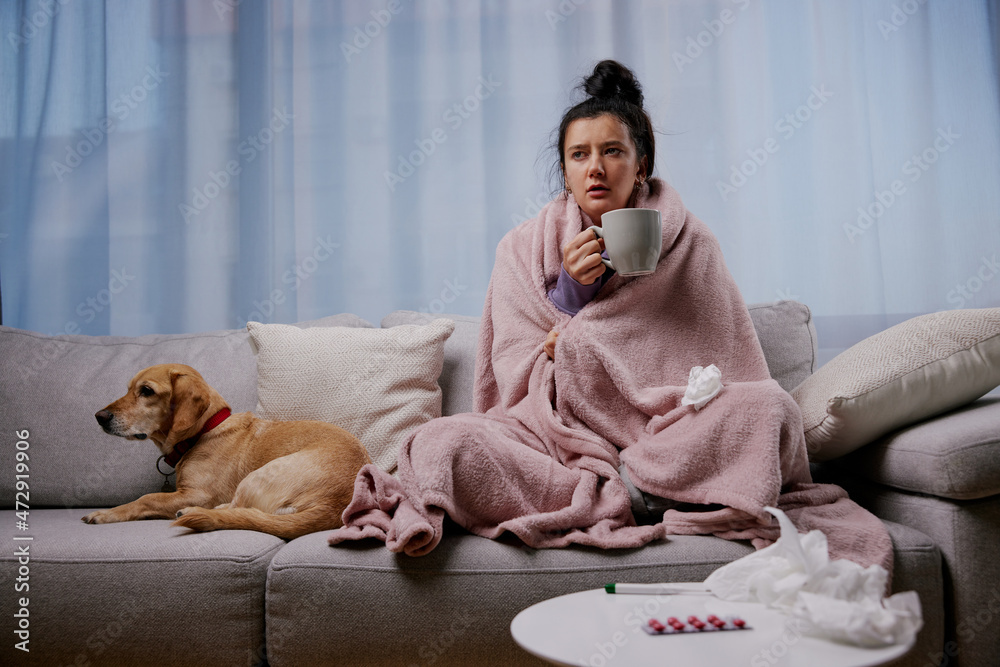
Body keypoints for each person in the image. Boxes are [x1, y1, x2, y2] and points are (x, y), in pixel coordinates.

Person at [329, 61, 892, 572]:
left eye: (613, 151)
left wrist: (605, 351)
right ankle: (638, 493)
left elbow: (727, 364)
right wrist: (570, 297)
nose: (596, 168)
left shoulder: (692, 242)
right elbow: (514, 378)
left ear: (641, 162)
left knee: (769, 408)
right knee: (440, 442)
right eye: (580, 155)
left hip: (668, 433)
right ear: (566, 171)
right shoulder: (522, 250)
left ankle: (641, 485)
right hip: (557, 445)